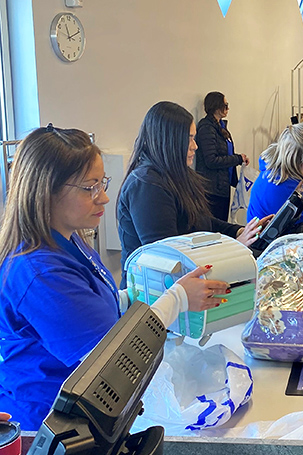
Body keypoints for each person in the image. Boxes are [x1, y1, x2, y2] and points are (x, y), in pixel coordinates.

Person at [0, 126, 232, 430]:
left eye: (102, 183)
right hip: (50, 420)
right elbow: (111, 361)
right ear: (47, 191)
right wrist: (176, 299)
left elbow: (101, 304)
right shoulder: (39, 272)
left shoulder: (71, 241)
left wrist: (145, 296)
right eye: (90, 188)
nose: (104, 198)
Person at [117, 102, 264, 282]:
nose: (195, 146)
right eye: (189, 138)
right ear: (169, 140)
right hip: (152, 295)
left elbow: (201, 222)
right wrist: (234, 249)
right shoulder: (147, 185)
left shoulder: (178, 174)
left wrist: (239, 231)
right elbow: (168, 259)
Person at [195, 91, 249, 221]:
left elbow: (225, 153)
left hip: (222, 186)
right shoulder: (206, 128)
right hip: (211, 188)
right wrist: (237, 159)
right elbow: (211, 160)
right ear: (216, 106)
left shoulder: (221, 127)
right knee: (215, 226)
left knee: (223, 223)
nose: (227, 108)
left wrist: (238, 158)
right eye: (225, 105)